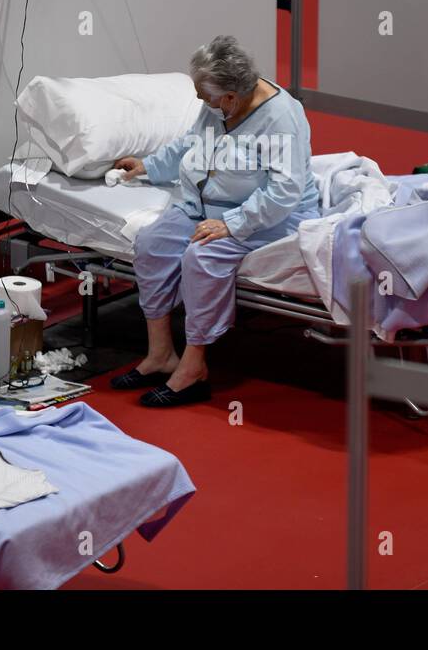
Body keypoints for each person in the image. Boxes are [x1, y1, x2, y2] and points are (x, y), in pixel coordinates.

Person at [110, 36, 319, 407]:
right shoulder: (218, 106)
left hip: (269, 214)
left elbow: (285, 191)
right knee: (152, 243)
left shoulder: (281, 119)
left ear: (231, 98)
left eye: (203, 94)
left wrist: (235, 223)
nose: (198, 100)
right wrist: (150, 166)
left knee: (201, 257)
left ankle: (194, 368)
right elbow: (192, 143)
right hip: (206, 206)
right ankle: (160, 355)